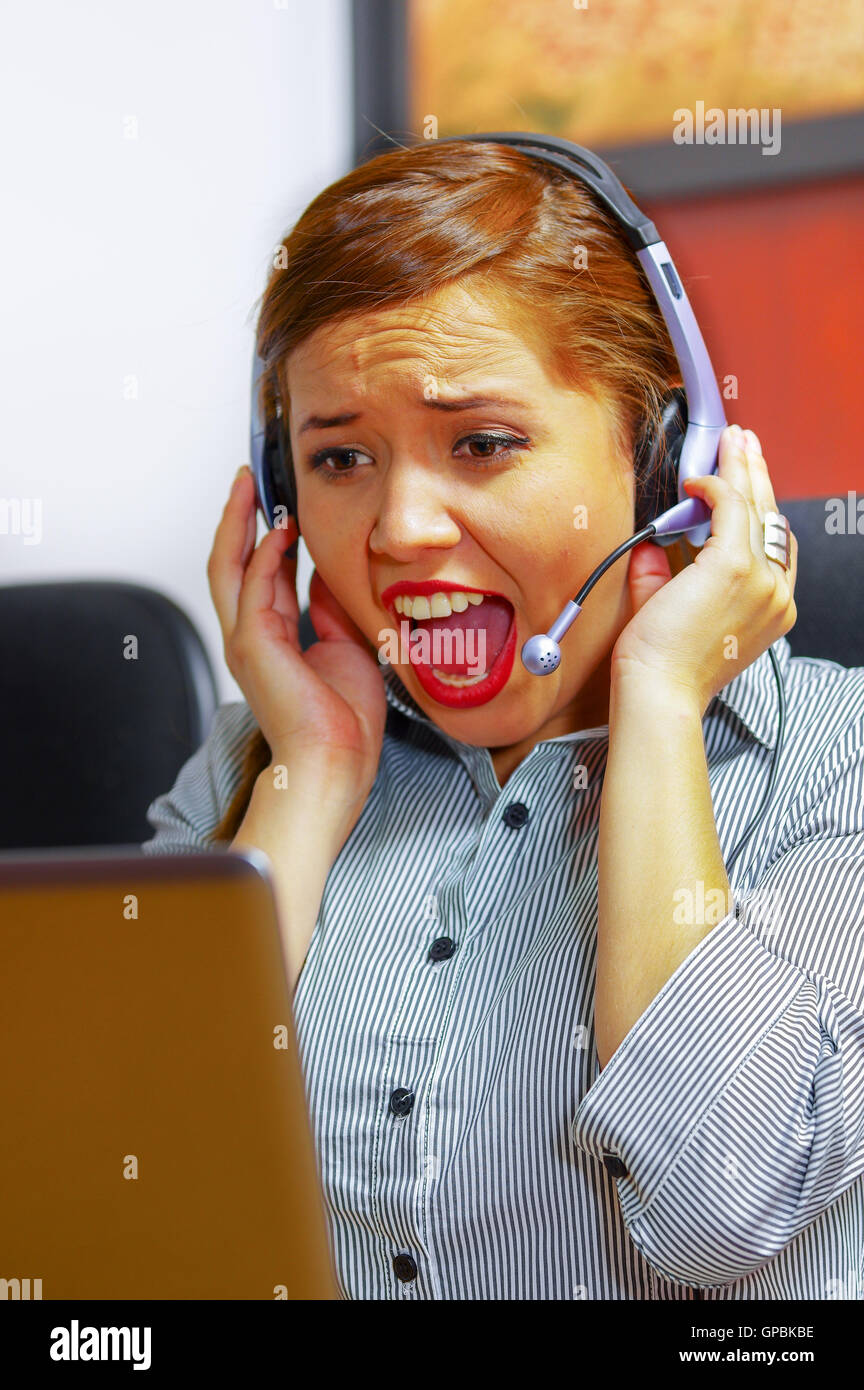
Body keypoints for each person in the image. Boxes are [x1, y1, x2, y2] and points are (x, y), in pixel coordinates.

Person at [142, 140, 864, 1301]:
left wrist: (663, 702)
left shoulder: (837, 767)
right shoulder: (245, 767)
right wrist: (311, 778)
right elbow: (123, 1211)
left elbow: (718, 1203)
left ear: (660, 452)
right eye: (340, 458)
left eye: (481, 441)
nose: (400, 528)